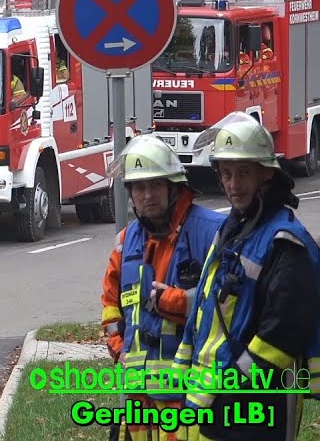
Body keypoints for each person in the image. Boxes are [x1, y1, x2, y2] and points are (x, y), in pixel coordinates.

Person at [170, 112, 320, 441]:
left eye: (243, 173)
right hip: (213, 408)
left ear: (265, 175)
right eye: (226, 174)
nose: (234, 185)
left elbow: (280, 336)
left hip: (254, 408)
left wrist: (230, 393)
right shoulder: (234, 228)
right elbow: (204, 315)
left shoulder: (285, 241)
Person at [99, 135, 223, 441]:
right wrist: (119, 351)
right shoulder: (126, 241)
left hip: (188, 397)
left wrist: (177, 302)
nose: (147, 194)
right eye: (139, 187)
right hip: (139, 398)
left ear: (174, 187)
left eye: (155, 185)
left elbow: (227, 304)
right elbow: (111, 307)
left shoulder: (209, 232)